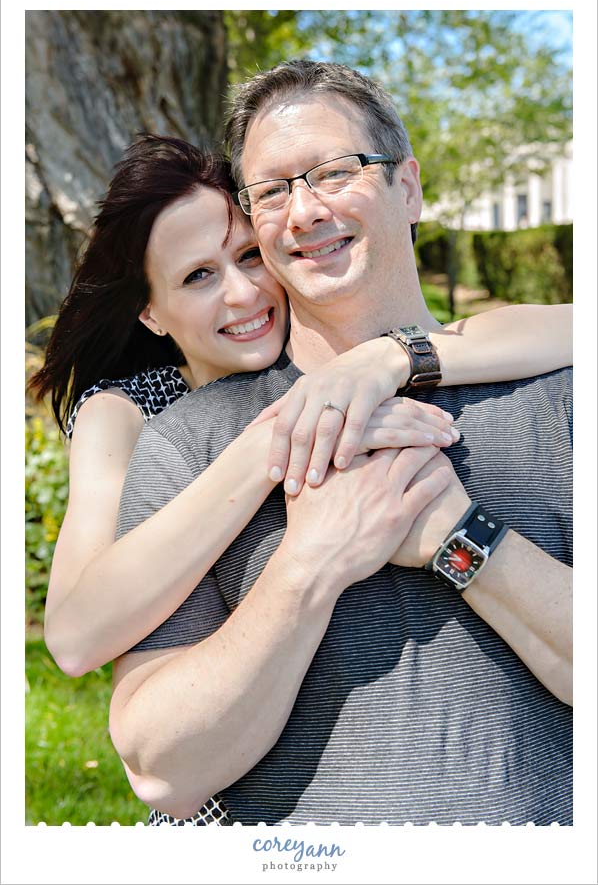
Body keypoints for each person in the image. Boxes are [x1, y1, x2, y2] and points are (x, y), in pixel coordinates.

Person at [108, 61, 572, 827]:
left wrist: (460, 538)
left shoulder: (560, 398)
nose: (303, 211)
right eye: (271, 192)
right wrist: (312, 564)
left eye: (333, 172)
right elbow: (162, 770)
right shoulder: (192, 444)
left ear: (409, 186)